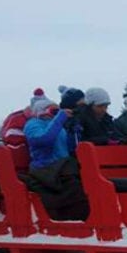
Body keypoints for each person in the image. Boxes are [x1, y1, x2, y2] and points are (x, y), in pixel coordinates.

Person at [23, 90, 88, 220]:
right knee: (72, 184)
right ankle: (70, 215)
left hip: (62, 167)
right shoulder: (32, 124)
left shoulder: (58, 125)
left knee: (80, 179)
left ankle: (82, 214)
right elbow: (44, 140)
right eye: (54, 110)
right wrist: (59, 119)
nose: (57, 113)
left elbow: (68, 148)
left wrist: (73, 132)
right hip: (45, 168)